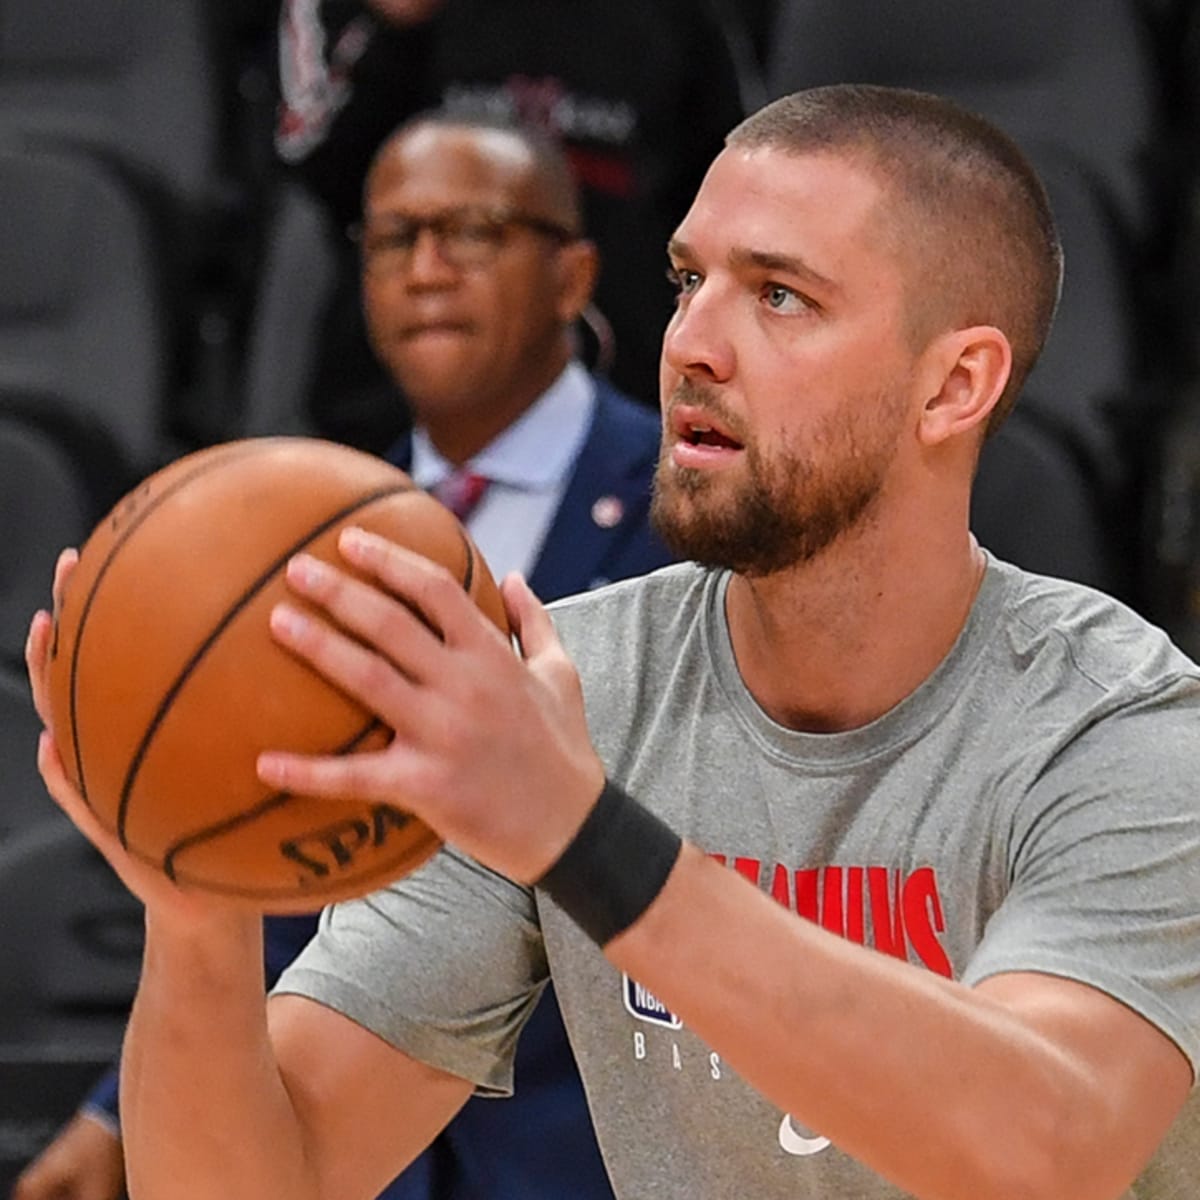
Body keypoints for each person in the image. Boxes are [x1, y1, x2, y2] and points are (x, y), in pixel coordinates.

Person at [26, 83, 1200, 1199]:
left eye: (779, 295)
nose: (692, 340)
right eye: (690, 280)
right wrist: (197, 915)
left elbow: (1050, 1151)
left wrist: (580, 833)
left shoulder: (1118, 726)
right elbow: (267, 1179)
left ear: (953, 386)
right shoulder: (558, 695)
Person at [13, 112, 674, 1200]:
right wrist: (116, 1112)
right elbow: (280, 843)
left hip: (592, 1145)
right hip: (351, 1144)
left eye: (472, 231)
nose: (426, 269)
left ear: (573, 274)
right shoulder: (285, 530)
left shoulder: (688, 504)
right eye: (395, 236)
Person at [274, 0, 754, 442]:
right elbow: (313, 167)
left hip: (627, 394)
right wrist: (395, 29)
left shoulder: (680, 18)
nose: (431, 269)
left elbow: (730, 204)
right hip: (386, 412)